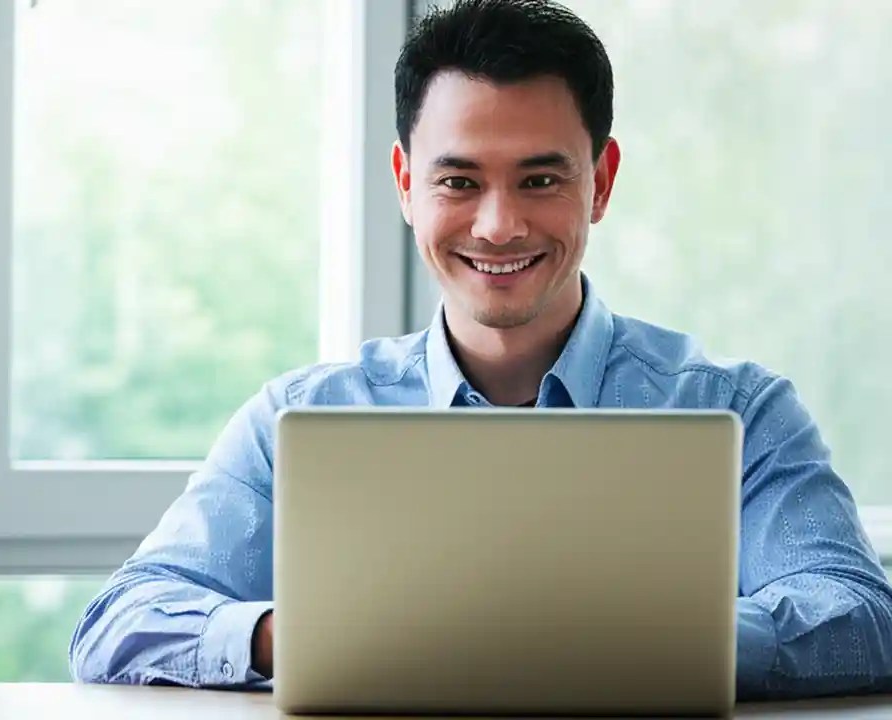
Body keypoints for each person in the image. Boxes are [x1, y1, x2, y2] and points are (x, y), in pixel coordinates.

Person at [68, 0, 892, 700]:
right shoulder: (303, 417)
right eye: (459, 181)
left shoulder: (738, 410)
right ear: (405, 183)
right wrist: (313, 635)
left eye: (540, 180)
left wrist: (611, 638)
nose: (499, 226)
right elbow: (121, 621)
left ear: (600, 182)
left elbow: (859, 617)